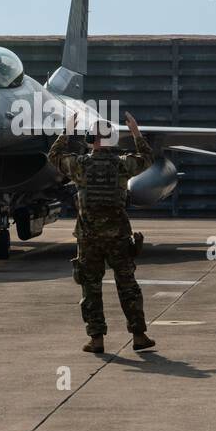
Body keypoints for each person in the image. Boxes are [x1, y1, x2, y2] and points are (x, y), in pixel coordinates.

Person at [47, 110, 156, 354]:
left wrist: (66, 131)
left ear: (90, 138)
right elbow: (147, 158)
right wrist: (136, 132)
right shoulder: (122, 165)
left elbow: (54, 156)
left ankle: (96, 340)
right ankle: (139, 336)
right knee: (127, 285)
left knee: (91, 288)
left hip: (89, 238)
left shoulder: (80, 165)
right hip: (118, 237)